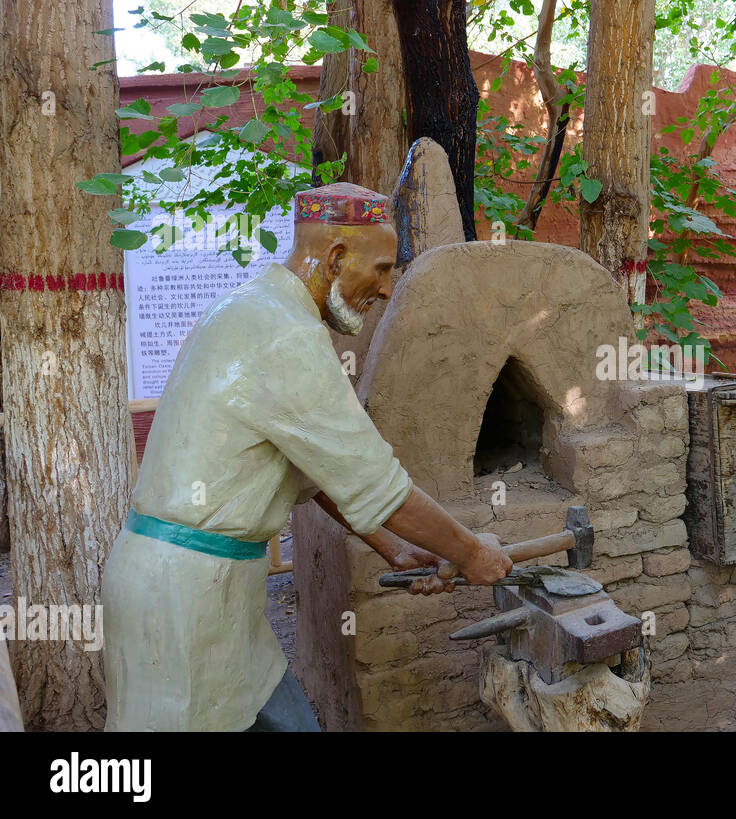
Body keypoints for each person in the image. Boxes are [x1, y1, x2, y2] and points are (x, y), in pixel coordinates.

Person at [103, 183, 512, 731]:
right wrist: (471, 553)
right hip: (180, 602)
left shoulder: (254, 309)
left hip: (218, 594)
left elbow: (319, 473)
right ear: (337, 258)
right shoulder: (285, 336)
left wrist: (394, 550)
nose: (387, 290)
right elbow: (379, 485)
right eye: (383, 270)